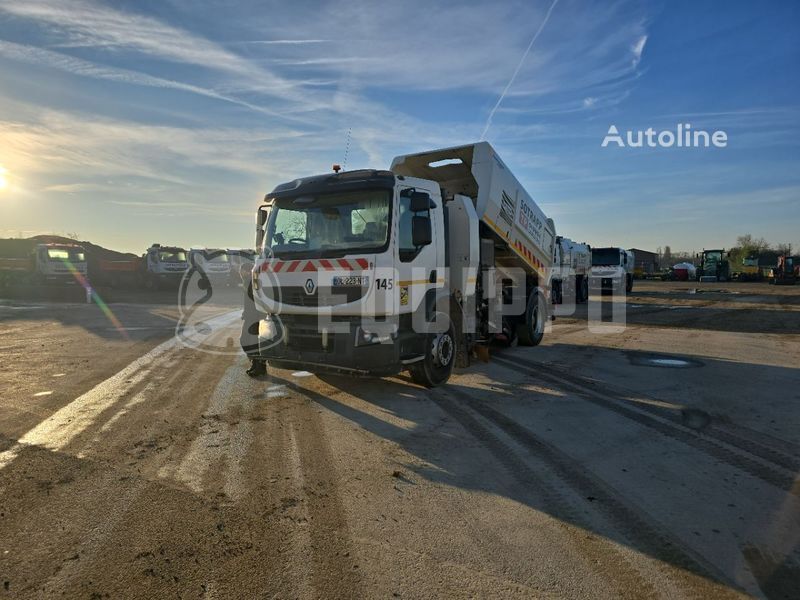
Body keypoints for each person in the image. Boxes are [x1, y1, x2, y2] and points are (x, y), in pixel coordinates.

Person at [240, 277, 267, 377]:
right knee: (246, 341)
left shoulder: (253, 281)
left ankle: (260, 367)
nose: (241, 273)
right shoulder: (247, 282)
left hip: (256, 317)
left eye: (243, 271)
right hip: (250, 316)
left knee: (253, 342)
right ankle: (255, 364)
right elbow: (248, 302)